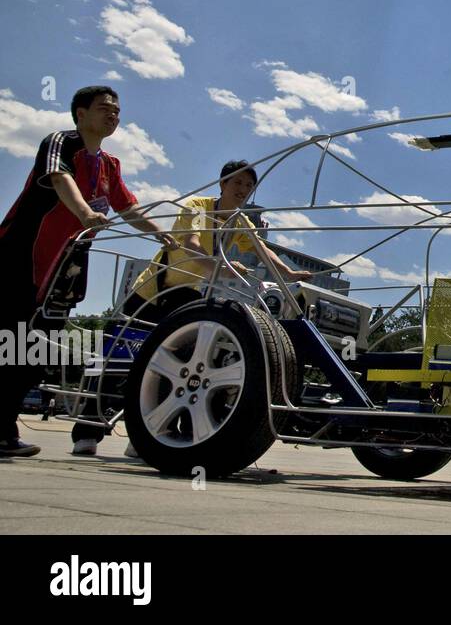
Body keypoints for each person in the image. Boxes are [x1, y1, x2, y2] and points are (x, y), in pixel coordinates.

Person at [71, 159, 315, 455]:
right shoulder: (199, 207)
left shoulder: (238, 220)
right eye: (237, 183)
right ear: (222, 183)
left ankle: (146, 435)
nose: (243, 190)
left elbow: (261, 249)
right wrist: (220, 266)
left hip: (187, 295)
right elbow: (193, 245)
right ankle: (87, 430)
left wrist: (287, 274)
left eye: (249, 186)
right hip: (154, 293)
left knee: (175, 365)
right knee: (114, 361)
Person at [0, 86, 177, 458]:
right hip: (23, 255)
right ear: (80, 113)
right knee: (10, 340)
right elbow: (60, 178)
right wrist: (83, 213)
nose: (113, 115)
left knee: (36, 350)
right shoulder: (61, 142)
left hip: (66, 265)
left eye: (117, 110)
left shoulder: (110, 165)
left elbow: (128, 208)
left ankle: (3, 429)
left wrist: (163, 234)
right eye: (104, 108)